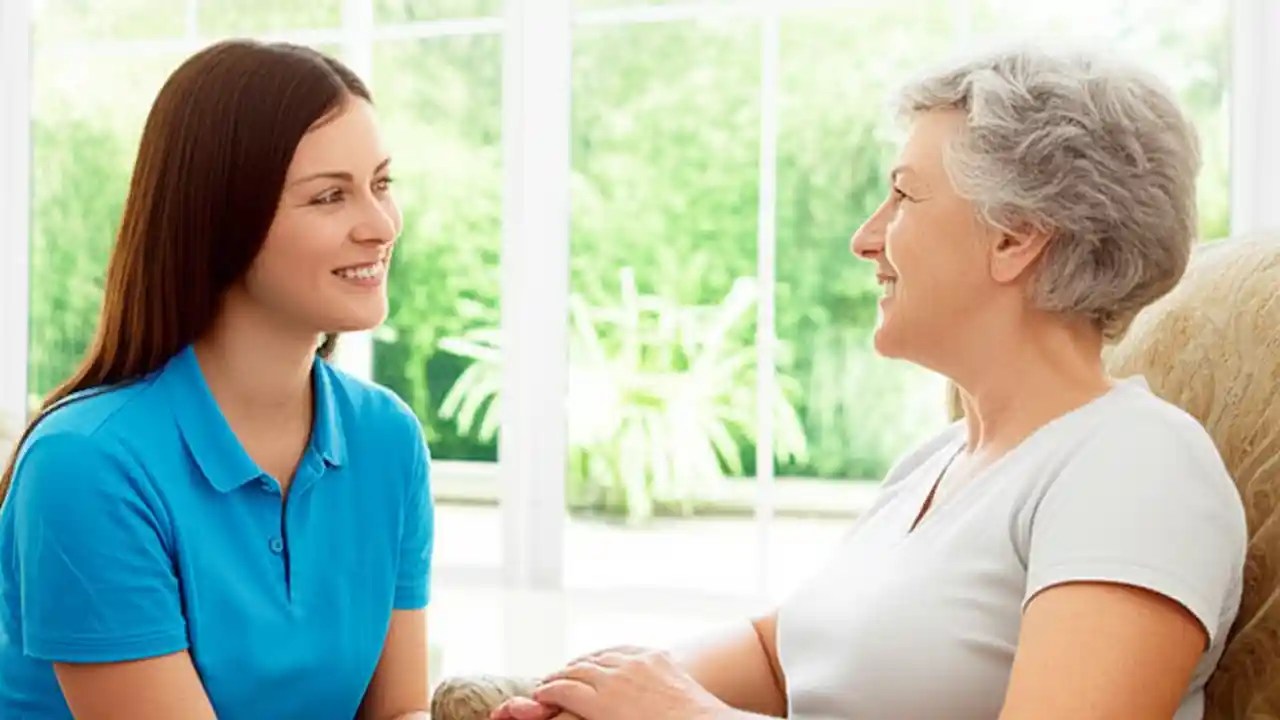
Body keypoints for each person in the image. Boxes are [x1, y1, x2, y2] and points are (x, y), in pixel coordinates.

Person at [491, 45, 1248, 720]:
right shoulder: (937, 464)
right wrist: (593, 696)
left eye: (905, 196)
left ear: (1016, 238)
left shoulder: (1137, 466)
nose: (867, 237)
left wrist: (680, 713)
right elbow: (781, 660)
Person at [0, 40, 434, 719]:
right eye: (329, 197)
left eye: (381, 184)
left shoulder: (387, 439)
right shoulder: (84, 466)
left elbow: (398, 712)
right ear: (222, 217)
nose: (381, 227)